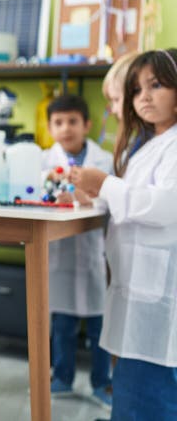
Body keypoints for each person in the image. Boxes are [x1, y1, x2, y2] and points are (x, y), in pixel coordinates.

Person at [70, 49, 177, 420]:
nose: (144, 97)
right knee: (132, 390)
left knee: (150, 396)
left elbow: (164, 205)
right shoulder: (148, 146)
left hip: (158, 299)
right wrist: (95, 196)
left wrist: (105, 184)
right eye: (136, 90)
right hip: (138, 290)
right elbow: (133, 199)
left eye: (156, 85)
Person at [41, 94, 113, 409]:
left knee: (99, 324)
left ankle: (102, 383)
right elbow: (36, 190)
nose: (66, 128)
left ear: (87, 125)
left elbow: (112, 198)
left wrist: (90, 200)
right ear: (49, 127)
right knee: (62, 322)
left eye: (73, 121)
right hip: (61, 254)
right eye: (58, 122)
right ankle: (62, 379)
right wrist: (50, 186)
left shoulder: (103, 160)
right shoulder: (45, 161)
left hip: (93, 251)